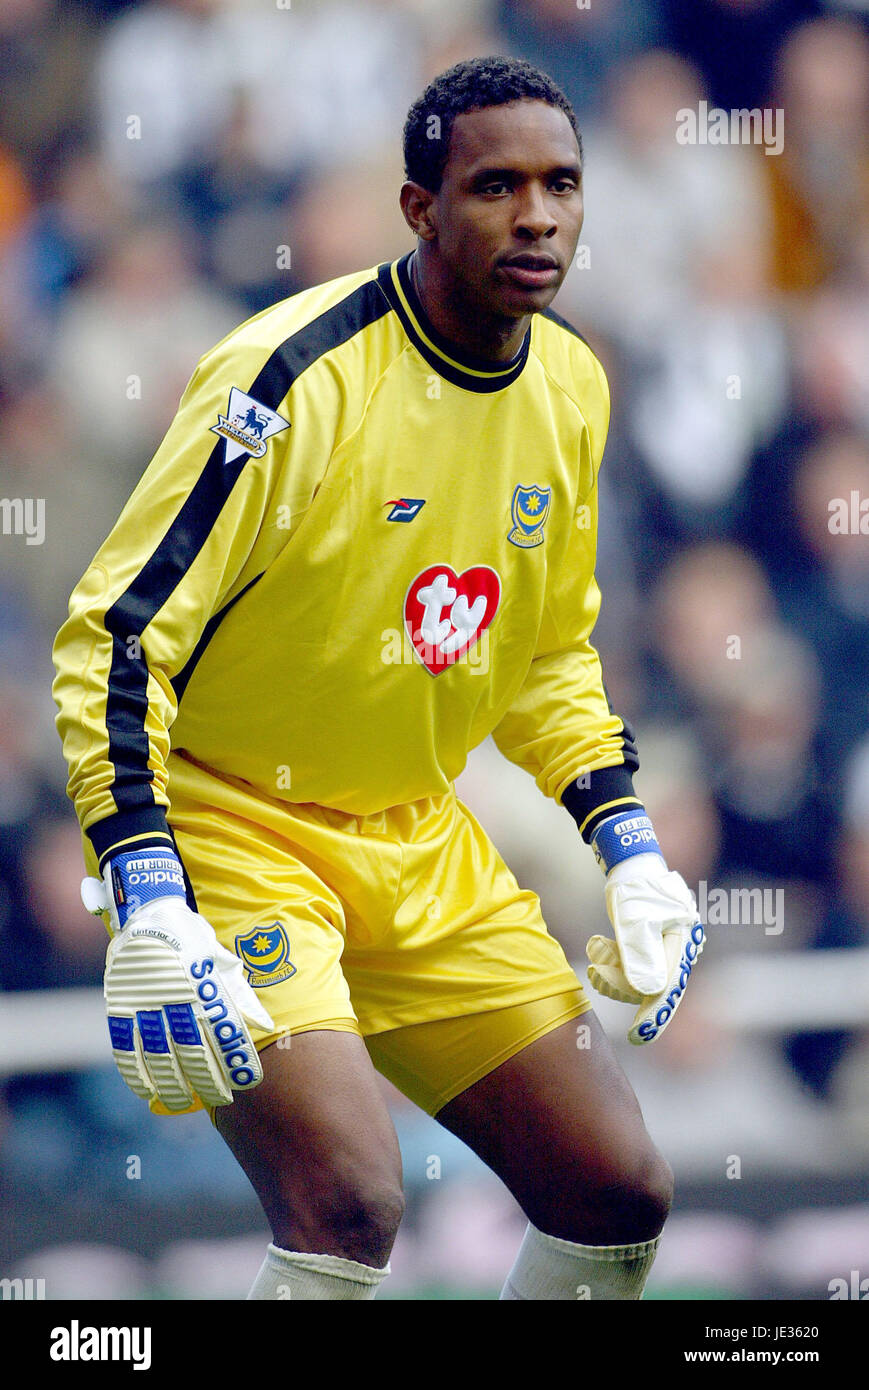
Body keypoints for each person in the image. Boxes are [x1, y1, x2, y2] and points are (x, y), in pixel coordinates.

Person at [52, 56, 705, 1302]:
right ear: (419, 208)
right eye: (494, 186)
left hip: (416, 834)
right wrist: (144, 881)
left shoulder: (569, 386)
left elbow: (548, 654)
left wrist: (627, 846)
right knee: (347, 1199)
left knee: (615, 1190)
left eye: (561, 184)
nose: (536, 216)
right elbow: (118, 634)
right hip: (229, 826)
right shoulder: (285, 379)